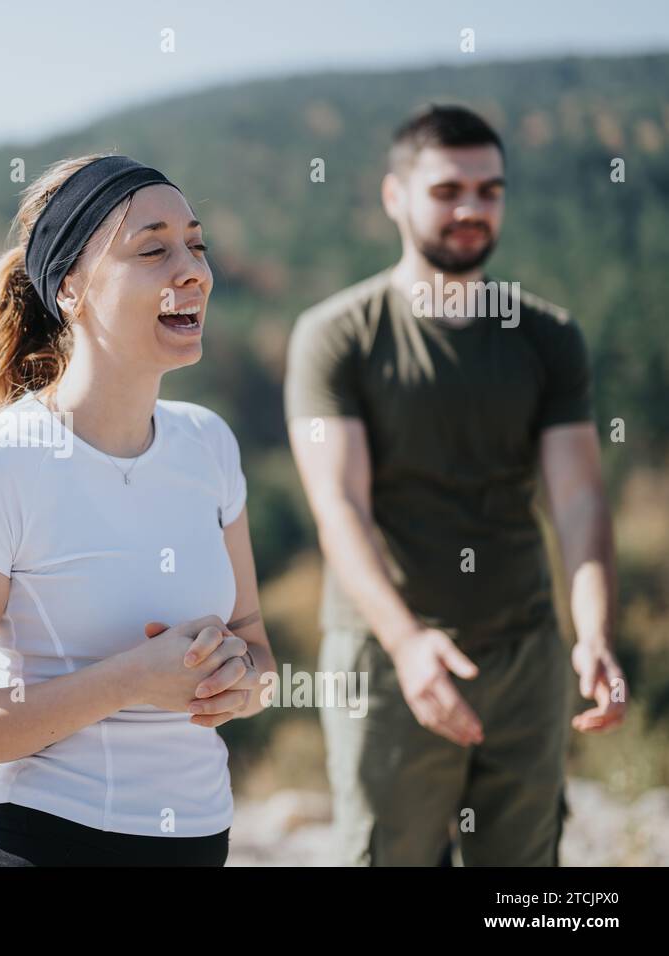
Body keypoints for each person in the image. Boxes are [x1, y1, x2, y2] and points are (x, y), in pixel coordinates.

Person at [0, 154, 275, 866]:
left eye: (196, 244)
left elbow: (256, 652)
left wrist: (238, 681)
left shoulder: (209, 445)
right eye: (153, 249)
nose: (192, 270)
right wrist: (131, 679)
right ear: (70, 287)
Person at [284, 104, 626, 866]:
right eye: (448, 190)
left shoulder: (548, 335)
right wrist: (407, 644)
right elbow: (338, 504)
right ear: (395, 196)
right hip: (384, 658)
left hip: (525, 653)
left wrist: (594, 629)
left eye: (490, 189)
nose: (472, 207)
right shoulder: (337, 335)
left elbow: (577, 498)